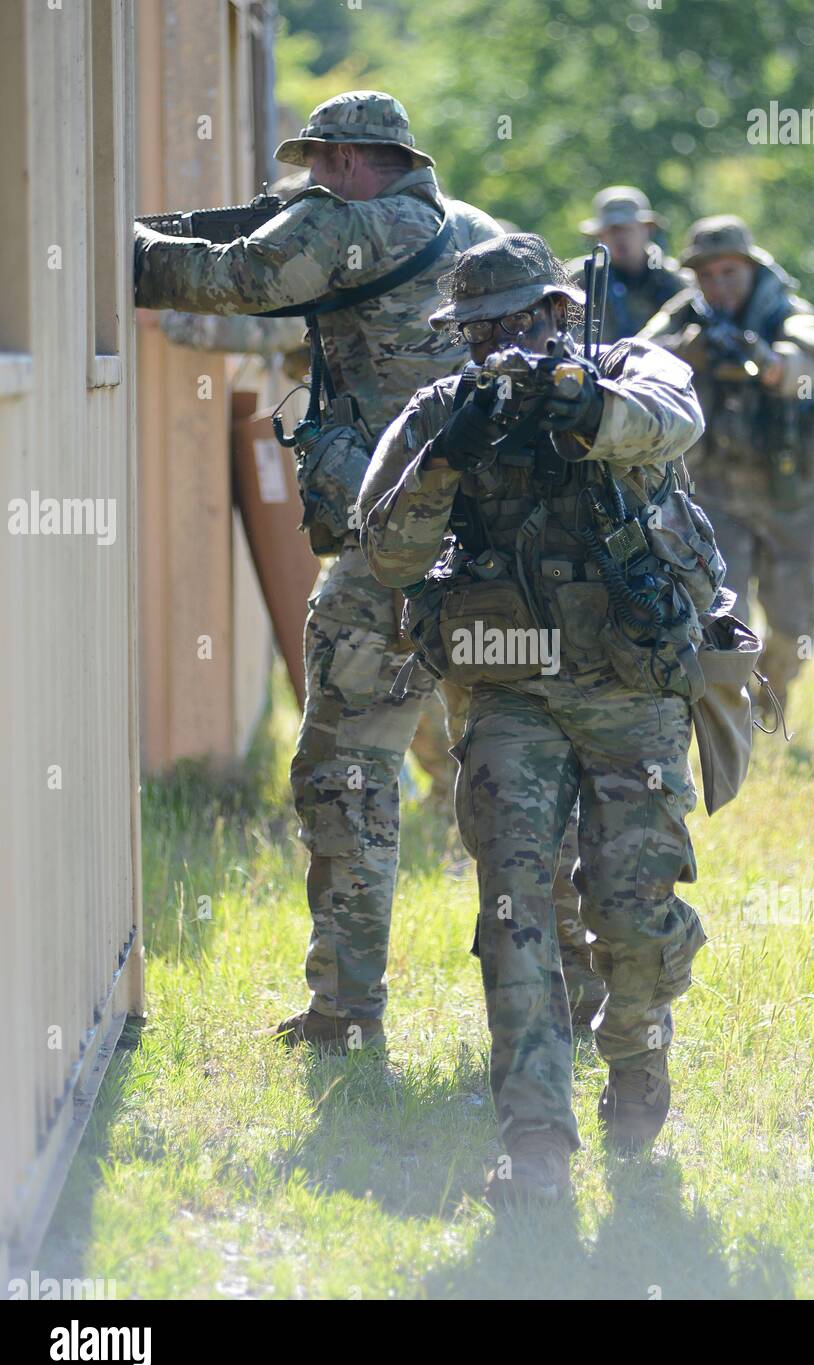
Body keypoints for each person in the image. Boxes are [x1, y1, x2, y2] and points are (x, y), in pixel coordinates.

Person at [134, 90, 503, 1054]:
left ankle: (344, 1011)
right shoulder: (474, 229)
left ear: (343, 160)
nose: (305, 183)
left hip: (396, 551)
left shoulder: (347, 220)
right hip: (509, 553)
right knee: (519, 778)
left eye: (315, 166)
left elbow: (230, 278)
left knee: (345, 772)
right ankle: (568, 998)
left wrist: (99, 240)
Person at [358, 234, 721, 1204]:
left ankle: (636, 1047)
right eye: (480, 333)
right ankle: (534, 1146)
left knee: (628, 915)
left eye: (519, 324)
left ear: (561, 312)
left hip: (626, 684)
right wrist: (449, 453)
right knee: (516, 910)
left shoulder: (624, 368)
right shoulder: (447, 412)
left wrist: (580, 406)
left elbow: (673, 415)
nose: (500, 347)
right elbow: (385, 550)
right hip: (507, 690)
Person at [643, 216, 814, 713]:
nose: (719, 285)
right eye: (707, 275)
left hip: (791, 491)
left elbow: (807, 352)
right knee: (723, 614)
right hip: (716, 491)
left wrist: (772, 364)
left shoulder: (786, 309)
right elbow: (636, 355)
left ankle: (774, 691)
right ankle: (735, 715)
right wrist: (685, 353)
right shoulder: (687, 312)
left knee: (795, 620)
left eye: (729, 272)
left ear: (752, 268)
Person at [569, 186, 688, 342]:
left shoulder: (674, 281)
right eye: (611, 231)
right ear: (600, 236)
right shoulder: (581, 281)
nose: (619, 238)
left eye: (626, 229)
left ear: (647, 229)